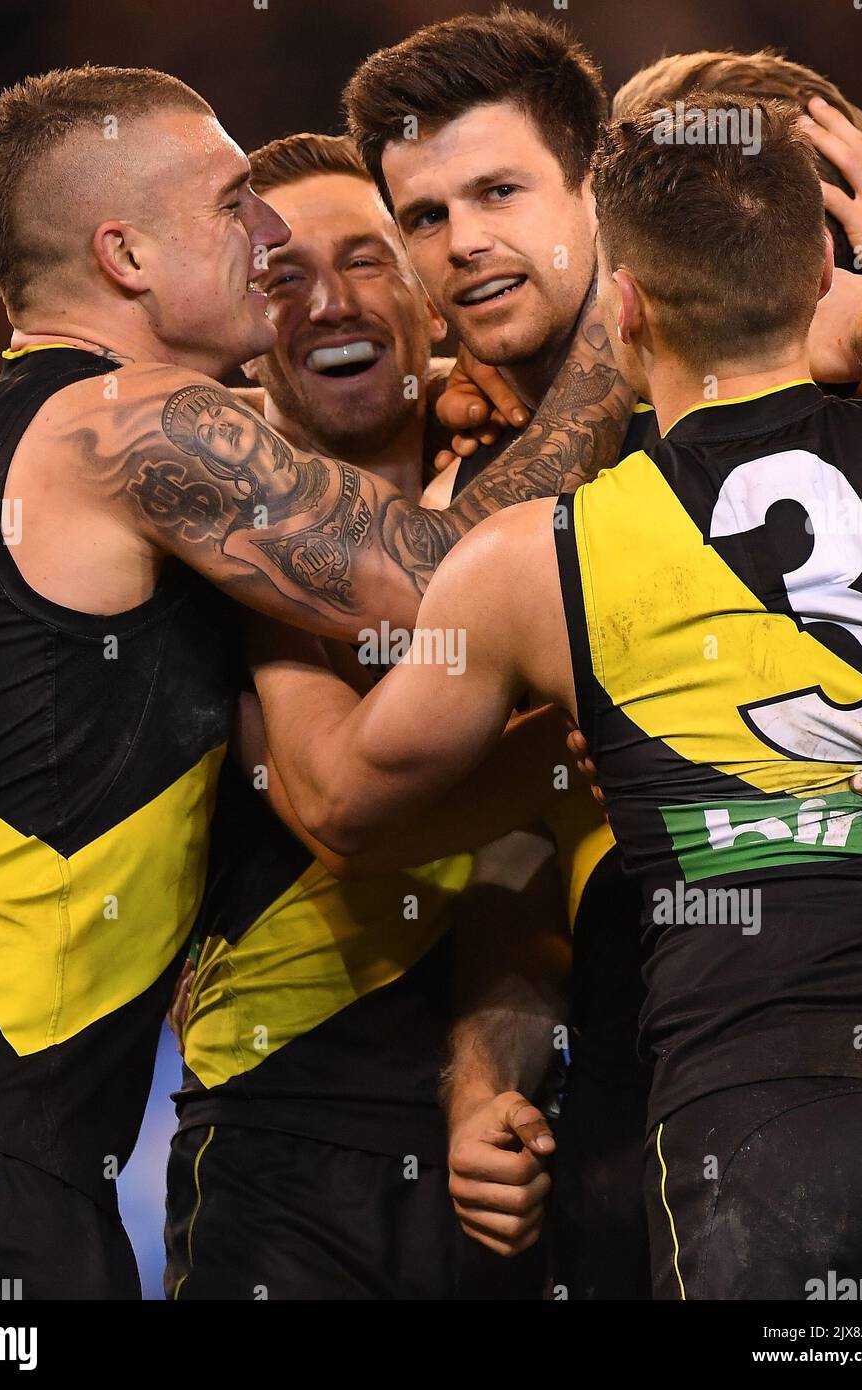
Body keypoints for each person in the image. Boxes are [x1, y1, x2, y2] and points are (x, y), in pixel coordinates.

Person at [0, 63, 628, 1299]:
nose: (269, 234)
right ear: (125, 255)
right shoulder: (126, 425)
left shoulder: (39, 424)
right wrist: (618, 319)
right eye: (236, 204)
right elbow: (444, 575)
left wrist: (423, 399)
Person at [251, 95, 862, 1300]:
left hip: (765, 1127)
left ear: (618, 304)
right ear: (819, 267)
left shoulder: (527, 559)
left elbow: (345, 803)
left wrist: (261, 584)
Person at [164, 132, 564, 1299]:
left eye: (369, 260)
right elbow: (341, 805)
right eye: (279, 275)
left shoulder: (533, 499)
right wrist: (584, 748)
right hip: (274, 1141)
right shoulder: (205, 530)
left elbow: (514, 860)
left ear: (433, 306)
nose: (327, 300)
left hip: (513, 1144)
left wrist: (488, 1079)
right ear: (245, 325)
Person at [344, 5, 656, 1297]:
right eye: (421, 215)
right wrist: (484, 1084)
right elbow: (508, 855)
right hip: (611, 1104)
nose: (462, 239)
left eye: (496, 189)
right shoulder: (418, 492)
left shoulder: (786, 392)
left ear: (595, 189)